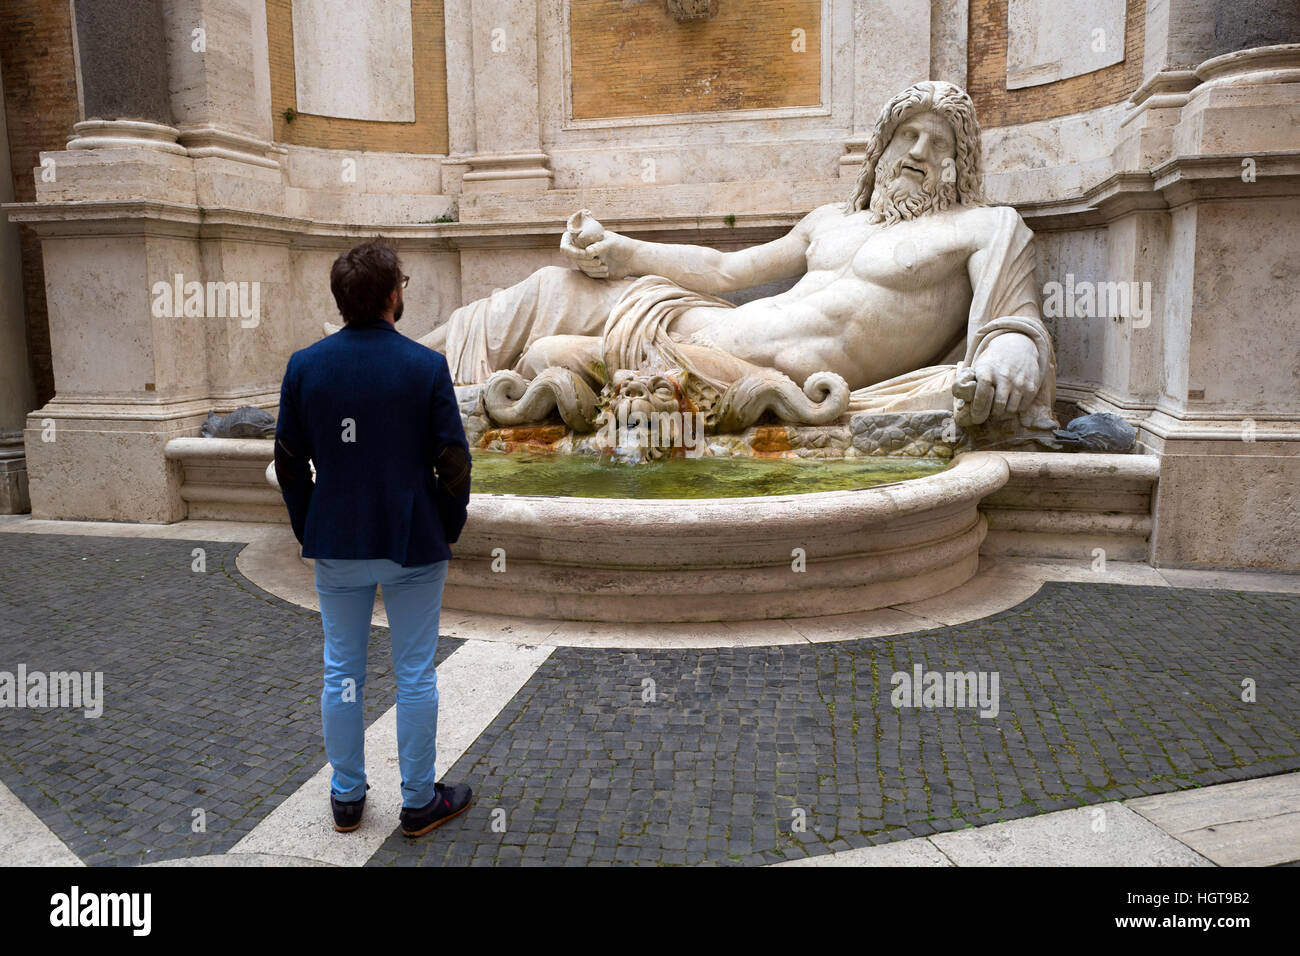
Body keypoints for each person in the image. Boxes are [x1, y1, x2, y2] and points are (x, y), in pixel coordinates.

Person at [419, 81, 1055, 438]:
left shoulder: (984, 227)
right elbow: (726, 273)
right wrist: (622, 252)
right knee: (548, 288)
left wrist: (1011, 352)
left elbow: (1015, 321)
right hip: (696, 322)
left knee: (546, 360)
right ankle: (392, 364)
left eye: (936, 140)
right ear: (882, 147)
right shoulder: (830, 221)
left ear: (957, 161)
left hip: (744, 374)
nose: (916, 150)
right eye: (905, 135)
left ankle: (401, 386)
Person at [274, 238, 474, 837]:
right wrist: (447, 521)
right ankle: (418, 801)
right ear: (393, 294)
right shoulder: (424, 366)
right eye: (403, 285)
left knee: (341, 668)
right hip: (412, 539)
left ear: (342, 300)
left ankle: (346, 796)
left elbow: (288, 461)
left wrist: (311, 520)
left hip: (337, 538)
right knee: (415, 672)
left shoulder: (305, 366)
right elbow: (454, 461)